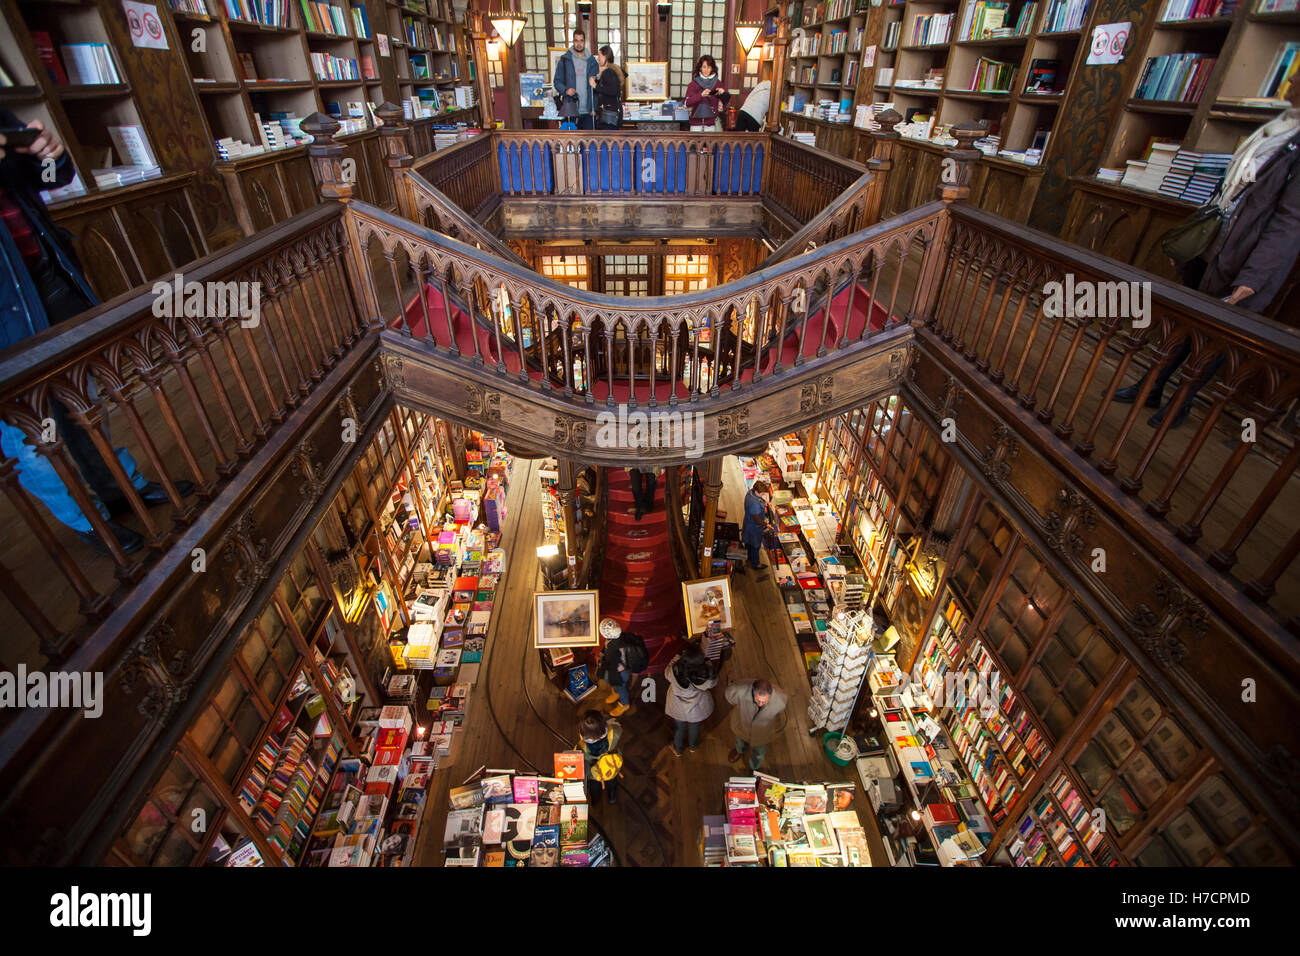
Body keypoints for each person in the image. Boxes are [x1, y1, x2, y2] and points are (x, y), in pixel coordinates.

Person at [0, 111, 193, 555]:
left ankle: (117, 488)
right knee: (31, 440)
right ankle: (89, 520)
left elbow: (48, 179)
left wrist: (51, 155)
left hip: (49, 285)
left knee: (84, 404)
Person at [1114, 83, 1300, 428]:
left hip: (1247, 262)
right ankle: (1152, 386)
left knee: (1216, 337)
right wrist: (1190, 246)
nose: (1291, 84)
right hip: (1214, 245)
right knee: (1184, 324)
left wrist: (1254, 279)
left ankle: (1180, 403)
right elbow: (1227, 188)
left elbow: (1290, 224)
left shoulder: (1294, 144)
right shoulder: (1278, 128)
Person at [664, 642, 718, 756]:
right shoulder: (703, 677)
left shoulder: (675, 670)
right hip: (696, 707)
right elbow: (713, 682)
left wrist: (676, 658)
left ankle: (678, 750)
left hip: (677, 706)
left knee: (679, 727)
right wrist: (708, 665)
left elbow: (666, 673)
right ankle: (693, 746)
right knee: (695, 727)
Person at [725, 678, 788, 771]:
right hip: (742, 725)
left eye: (764, 701)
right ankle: (740, 751)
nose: (761, 704)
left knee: (759, 753)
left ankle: (754, 766)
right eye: (758, 700)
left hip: (763, 733)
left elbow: (780, 711)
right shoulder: (740, 691)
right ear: (753, 693)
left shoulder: (780, 700)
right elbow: (729, 695)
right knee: (740, 741)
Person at [596, 616, 646, 717]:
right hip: (622, 668)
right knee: (616, 685)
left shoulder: (613, 649)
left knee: (621, 688)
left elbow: (613, 666)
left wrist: (603, 665)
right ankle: (615, 692)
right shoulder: (621, 637)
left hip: (620, 672)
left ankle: (624, 704)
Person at [553, 29, 598, 130]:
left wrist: (595, 107)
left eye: (581, 40)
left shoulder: (592, 62)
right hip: (571, 109)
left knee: (588, 144)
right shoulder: (565, 60)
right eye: (576, 40)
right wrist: (565, 90)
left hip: (589, 111)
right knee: (571, 143)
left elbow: (596, 88)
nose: (579, 44)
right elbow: (557, 81)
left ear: (584, 42)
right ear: (573, 42)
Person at [576, 709, 623, 804]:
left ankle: (595, 800)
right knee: (612, 782)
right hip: (611, 766)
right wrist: (608, 724)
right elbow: (619, 729)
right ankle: (612, 797)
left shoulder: (580, 748)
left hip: (594, 775)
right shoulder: (614, 732)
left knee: (594, 788)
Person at [684, 55, 729, 132]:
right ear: (700, 68)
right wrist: (701, 95)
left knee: (711, 144)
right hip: (696, 125)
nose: (706, 70)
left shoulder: (718, 83)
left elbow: (726, 101)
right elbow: (687, 103)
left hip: (711, 124)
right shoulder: (693, 84)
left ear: (712, 68)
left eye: (709, 67)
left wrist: (723, 93)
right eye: (704, 67)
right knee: (695, 144)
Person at [739, 479, 772, 573]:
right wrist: (766, 524)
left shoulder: (750, 493)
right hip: (754, 527)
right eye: (762, 494)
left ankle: (747, 556)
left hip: (748, 522)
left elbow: (758, 500)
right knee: (755, 546)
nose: (763, 495)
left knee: (748, 542)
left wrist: (763, 501)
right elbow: (757, 519)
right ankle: (755, 564)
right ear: (757, 491)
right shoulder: (755, 504)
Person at [591, 46, 624, 131]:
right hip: (612, 115)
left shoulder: (608, 72)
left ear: (605, 56)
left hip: (608, 116)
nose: (598, 59)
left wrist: (595, 86)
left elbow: (612, 90)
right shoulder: (612, 71)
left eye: (599, 55)